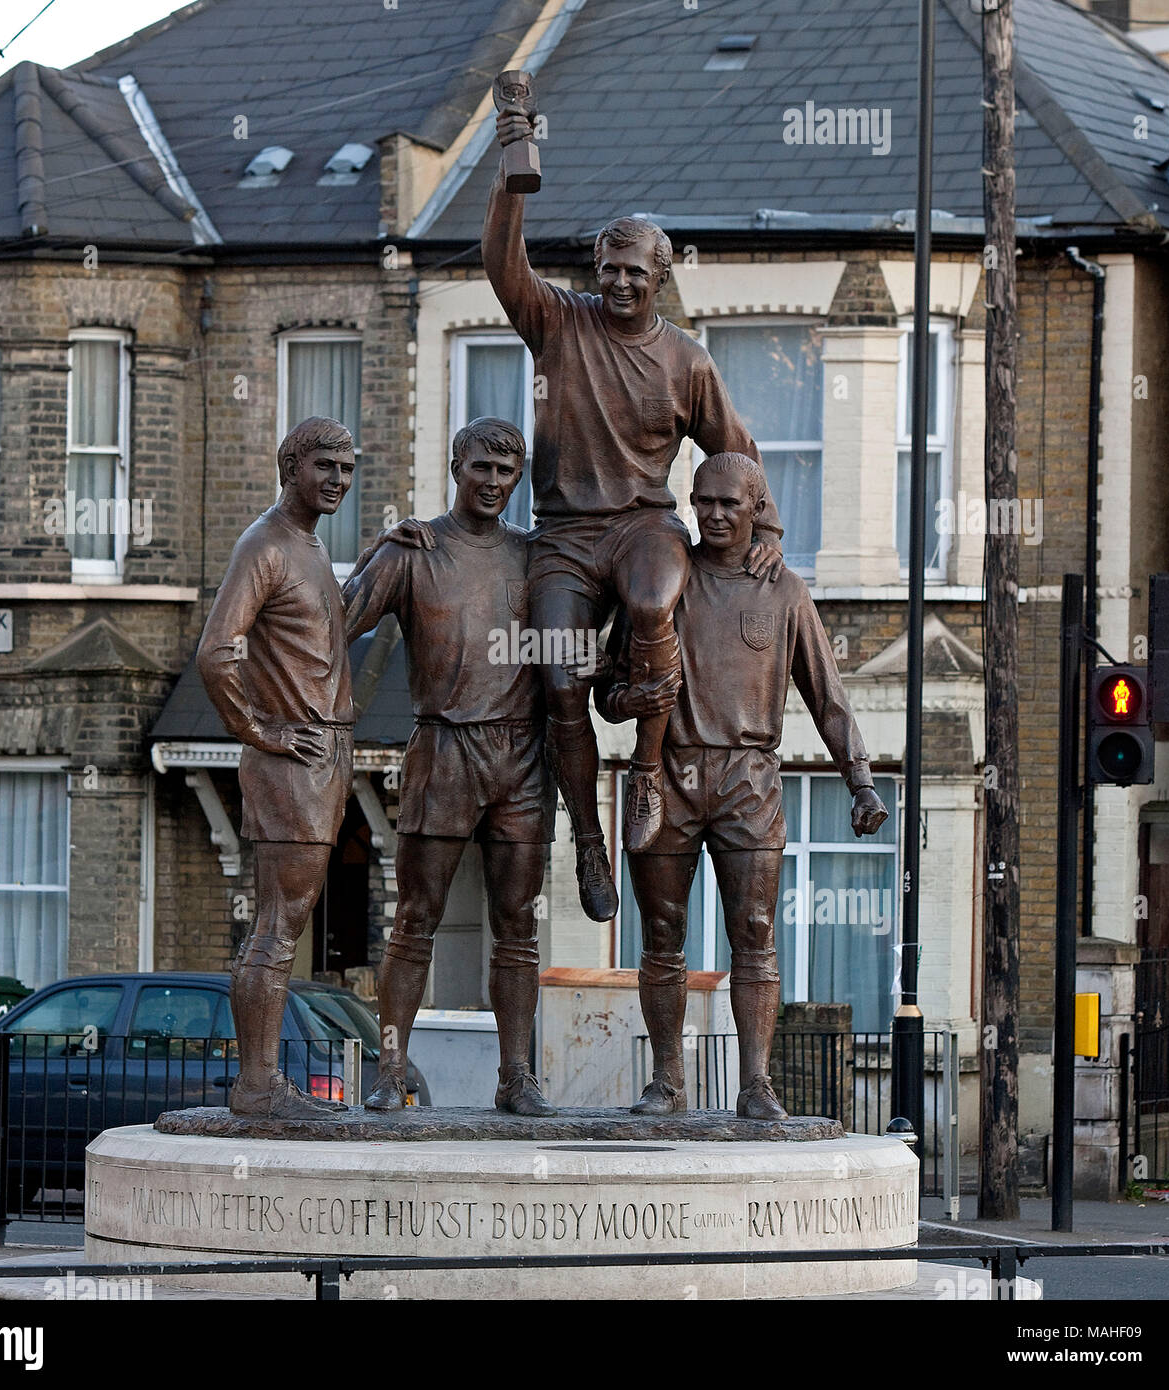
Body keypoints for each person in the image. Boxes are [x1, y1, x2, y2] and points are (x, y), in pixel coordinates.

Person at [483, 101, 785, 923]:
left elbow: (735, 453)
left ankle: (645, 770)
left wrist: (770, 535)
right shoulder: (559, 323)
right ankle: (587, 834)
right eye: (609, 268)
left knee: (656, 601)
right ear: (596, 267)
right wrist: (514, 165)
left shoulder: (687, 359)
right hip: (564, 535)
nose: (619, 283)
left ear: (660, 280)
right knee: (557, 675)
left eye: (636, 274)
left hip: (644, 523)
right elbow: (500, 263)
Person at [594, 452, 889, 1119]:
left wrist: (861, 781)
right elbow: (606, 692)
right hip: (668, 773)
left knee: (754, 929)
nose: (717, 515)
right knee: (662, 933)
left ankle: (755, 1083)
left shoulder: (783, 591)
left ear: (757, 510)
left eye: (732, 504)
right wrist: (631, 698)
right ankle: (666, 1081)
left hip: (748, 779)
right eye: (706, 502)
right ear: (692, 504)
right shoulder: (663, 581)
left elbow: (828, 696)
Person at [344, 418, 558, 1116]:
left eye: (506, 471)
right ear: (456, 466)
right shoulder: (418, 549)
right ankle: (391, 1067)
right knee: (416, 917)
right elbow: (341, 619)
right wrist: (375, 548)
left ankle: (516, 1074)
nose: (493, 482)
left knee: (517, 921)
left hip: (522, 755)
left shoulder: (535, 556)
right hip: (443, 749)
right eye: (481, 469)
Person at [196, 417, 357, 1119]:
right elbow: (215, 652)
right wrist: (258, 729)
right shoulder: (264, 545)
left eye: (347, 469)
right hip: (294, 760)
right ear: (290, 465)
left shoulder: (310, 547)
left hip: (322, 758)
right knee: (277, 924)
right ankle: (258, 1085)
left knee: (284, 920)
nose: (338, 480)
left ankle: (260, 1082)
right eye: (324, 465)